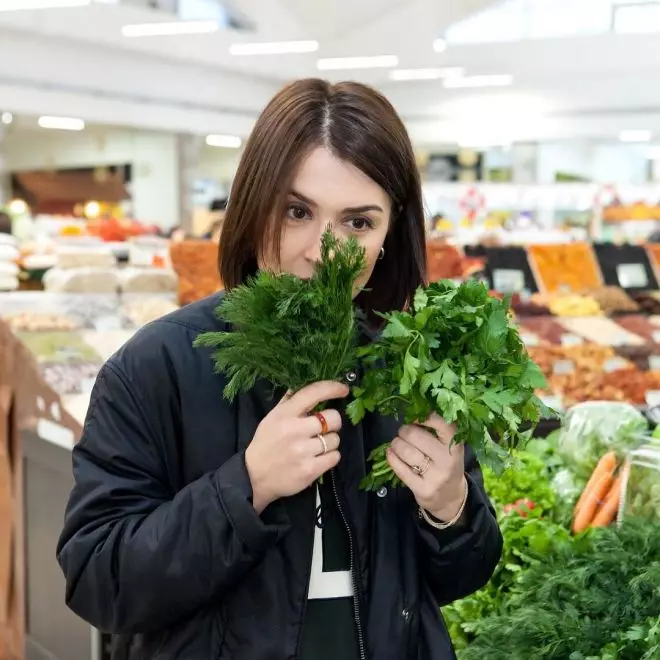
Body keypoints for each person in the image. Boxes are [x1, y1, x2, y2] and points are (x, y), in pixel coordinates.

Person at [56, 78, 502, 660]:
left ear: (392, 233)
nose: (323, 250)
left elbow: (459, 576)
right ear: (252, 207)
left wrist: (451, 510)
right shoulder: (156, 366)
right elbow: (98, 579)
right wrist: (246, 487)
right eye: (297, 211)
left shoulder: (410, 366)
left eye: (359, 222)